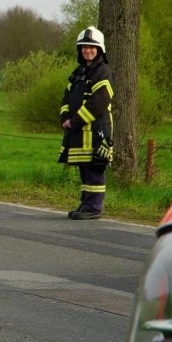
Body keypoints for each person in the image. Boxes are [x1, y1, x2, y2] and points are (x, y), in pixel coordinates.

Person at [59, 26, 114, 220]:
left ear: (99, 50)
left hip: (96, 130)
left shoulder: (103, 72)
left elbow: (98, 103)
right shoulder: (78, 72)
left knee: (95, 168)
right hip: (79, 131)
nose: (87, 51)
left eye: (91, 47)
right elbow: (66, 98)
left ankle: (93, 208)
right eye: (84, 47)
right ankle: (86, 204)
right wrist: (65, 118)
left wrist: (74, 121)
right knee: (85, 167)